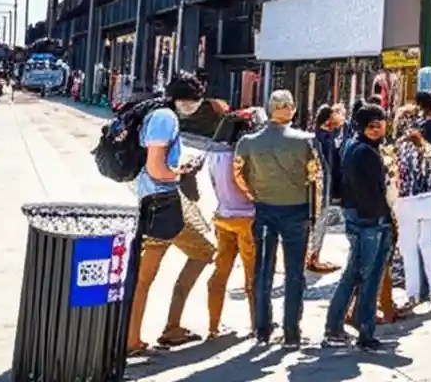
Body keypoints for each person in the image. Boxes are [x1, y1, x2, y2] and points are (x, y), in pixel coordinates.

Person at [127, 71, 217, 355]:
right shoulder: (166, 118)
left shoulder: (155, 113)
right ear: (185, 99)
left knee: (144, 276)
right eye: (194, 102)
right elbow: (156, 168)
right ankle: (172, 327)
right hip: (164, 201)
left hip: (150, 200)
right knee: (205, 250)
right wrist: (180, 173)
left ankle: (132, 339)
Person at [234, 90, 320, 348]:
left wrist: (254, 194)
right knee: (294, 273)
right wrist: (314, 213)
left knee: (263, 271)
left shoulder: (248, 142)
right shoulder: (305, 141)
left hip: (264, 209)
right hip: (296, 210)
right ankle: (291, 332)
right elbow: (314, 179)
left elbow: (239, 175)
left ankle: (262, 330)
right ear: (292, 109)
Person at [325, 104, 394, 351]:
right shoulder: (364, 151)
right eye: (371, 126)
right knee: (363, 275)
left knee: (362, 274)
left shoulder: (358, 146)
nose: (376, 130)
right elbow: (368, 192)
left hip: (365, 217)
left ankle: (354, 327)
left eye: (380, 124)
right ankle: (349, 328)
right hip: (369, 220)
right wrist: (382, 218)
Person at [205, 107, 266, 337]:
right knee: (254, 277)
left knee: (220, 273)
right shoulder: (246, 156)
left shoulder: (214, 154)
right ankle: (257, 326)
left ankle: (213, 326)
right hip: (248, 220)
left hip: (223, 218)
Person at [385, 104, 431, 308]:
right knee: (429, 244)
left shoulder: (395, 149)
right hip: (430, 199)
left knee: (408, 249)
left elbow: (393, 178)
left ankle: (412, 294)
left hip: (406, 202)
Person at [307, 103, 346, 274]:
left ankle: (313, 256)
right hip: (323, 186)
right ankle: (314, 258)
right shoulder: (326, 138)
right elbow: (331, 165)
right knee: (319, 222)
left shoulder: (317, 136)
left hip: (319, 185)